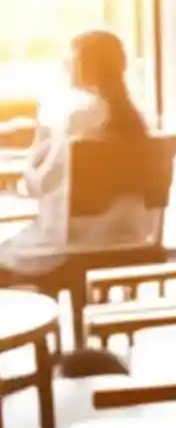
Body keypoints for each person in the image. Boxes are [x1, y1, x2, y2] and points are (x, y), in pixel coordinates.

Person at [0, 30, 158, 282]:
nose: (67, 66)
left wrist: (37, 148)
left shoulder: (78, 119)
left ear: (86, 66)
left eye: (72, 59)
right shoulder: (142, 122)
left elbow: (38, 185)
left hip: (73, 247)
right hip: (133, 239)